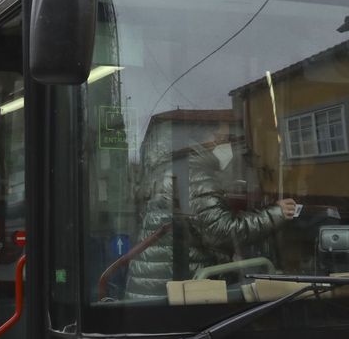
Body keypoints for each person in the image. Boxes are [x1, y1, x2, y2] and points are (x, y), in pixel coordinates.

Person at [126, 124, 297, 301]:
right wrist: (274, 215)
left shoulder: (170, 167)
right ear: (210, 139)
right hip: (176, 292)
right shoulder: (195, 174)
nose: (229, 146)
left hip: (154, 287)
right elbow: (221, 231)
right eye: (225, 139)